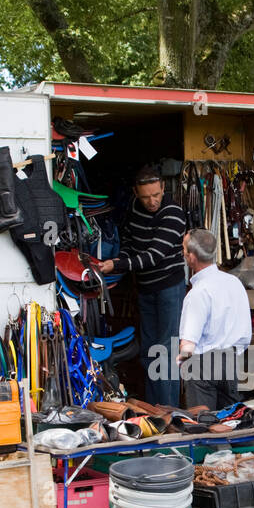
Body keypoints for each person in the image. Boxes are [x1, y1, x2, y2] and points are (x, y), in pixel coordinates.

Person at [98, 166, 187, 407]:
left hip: (169, 286)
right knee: (149, 350)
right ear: (136, 193)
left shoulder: (173, 214)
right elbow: (129, 244)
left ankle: (169, 411)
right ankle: (152, 408)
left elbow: (153, 256)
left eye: (156, 195)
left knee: (166, 352)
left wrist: (118, 266)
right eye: (146, 196)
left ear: (163, 188)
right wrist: (118, 260)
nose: (151, 201)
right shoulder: (135, 210)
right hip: (146, 288)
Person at [176, 228, 252, 410]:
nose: (184, 254)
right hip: (231, 361)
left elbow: (188, 345)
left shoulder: (198, 293)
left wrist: (182, 366)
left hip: (202, 366)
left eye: (184, 251)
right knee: (228, 424)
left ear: (192, 257)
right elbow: (245, 336)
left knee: (204, 427)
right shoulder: (234, 283)